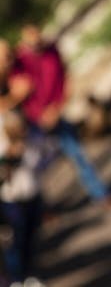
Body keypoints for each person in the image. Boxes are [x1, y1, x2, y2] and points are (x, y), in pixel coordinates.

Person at [11, 24, 111, 208]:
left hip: (56, 113)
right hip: (36, 121)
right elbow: (17, 92)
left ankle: (101, 194)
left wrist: (57, 108)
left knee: (77, 155)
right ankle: (43, 210)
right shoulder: (19, 62)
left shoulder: (52, 51)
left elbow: (64, 79)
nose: (36, 47)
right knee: (36, 167)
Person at [0, 111, 44, 286]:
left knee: (29, 239)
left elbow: (40, 162)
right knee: (13, 243)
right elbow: (4, 177)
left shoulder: (32, 142)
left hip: (32, 196)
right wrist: (10, 158)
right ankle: (15, 280)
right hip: (12, 201)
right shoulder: (3, 148)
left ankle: (27, 276)